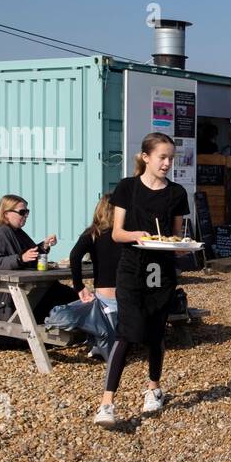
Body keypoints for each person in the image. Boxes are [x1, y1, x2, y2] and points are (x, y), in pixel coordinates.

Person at [93, 133, 192, 427]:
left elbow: (176, 238)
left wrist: (179, 246)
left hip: (161, 270)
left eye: (171, 158)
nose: (167, 163)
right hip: (133, 268)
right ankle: (107, 402)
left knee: (156, 331)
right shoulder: (127, 188)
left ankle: (153, 387)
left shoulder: (176, 193)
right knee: (127, 331)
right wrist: (138, 235)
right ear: (146, 157)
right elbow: (117, 233)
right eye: (162, 157)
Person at [0, 195, 75, 341]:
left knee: (69, 295)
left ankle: (74, 328)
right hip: (2, 294)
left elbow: (28, 254)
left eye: (27, 212)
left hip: (19, 287)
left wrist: (43, 246)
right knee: (60, 295)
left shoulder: (15, 231)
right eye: (22, 212)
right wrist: (20, 258)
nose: (25, 216)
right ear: (6, 213)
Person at [54, 194, 121, 360]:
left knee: (94, 313)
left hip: (106, 294)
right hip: (127, 293)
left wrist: (79, 286)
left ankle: (99, 345)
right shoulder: (125, 234)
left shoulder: (94, 233)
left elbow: (74, 256)